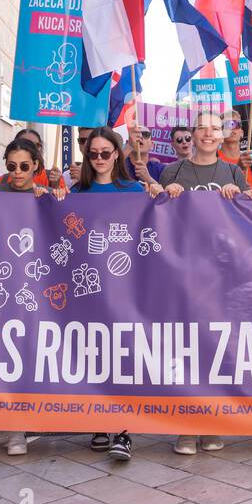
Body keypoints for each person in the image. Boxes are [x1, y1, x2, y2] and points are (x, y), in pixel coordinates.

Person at [160, 110, 252, 454]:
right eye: (201, 127)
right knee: (186, 349)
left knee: (217, 347)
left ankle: (213, 423)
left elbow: (251, 217)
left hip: (223, 273)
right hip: (184, 271)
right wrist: (163, 192)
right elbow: (158, 216)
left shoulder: (233, 170)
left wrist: (241, 193)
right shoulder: (173, 171)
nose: (206, 133)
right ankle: (188, 426)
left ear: (223, 135)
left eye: (214, 128)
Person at [74, 127, 162, 461]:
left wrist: (156, 191)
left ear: (117, 154)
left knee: (124, 355)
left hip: (126, 287)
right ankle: (99, 421)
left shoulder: (134, 189)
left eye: (105, 153)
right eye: (93, 153)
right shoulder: (76, 192)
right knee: (94, 353)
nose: (99, 159)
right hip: (89, 287)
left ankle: (123, 431)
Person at [0, 138, 65, 456]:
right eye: (11, 166)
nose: (17, 172)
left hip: (35, 288)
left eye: (24, 167)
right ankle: (6, 423)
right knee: (2, 353)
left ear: (36, 168)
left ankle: (17, 426)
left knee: (26, 353)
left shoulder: (44, 196)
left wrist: (55, 198)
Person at [218, 109, 252, 189]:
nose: (232, 129)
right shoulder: (212, 161)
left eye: (236, 125)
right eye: (227, 125)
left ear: (242, 133)